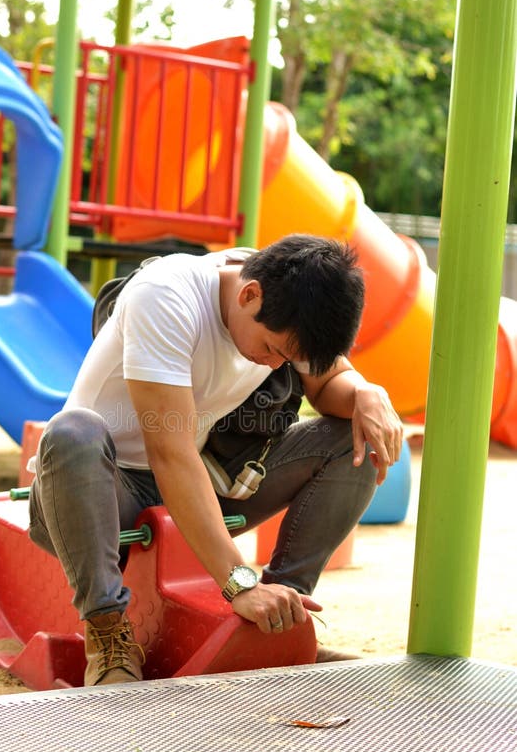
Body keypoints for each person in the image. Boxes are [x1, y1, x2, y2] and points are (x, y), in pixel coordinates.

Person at [28, 234, 403, 686]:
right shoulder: (166, 295)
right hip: (97, 490)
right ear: (249, 295)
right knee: (73, 431)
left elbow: (326, 385)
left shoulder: (284, 299)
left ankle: (281, 616)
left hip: (198, 478)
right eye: (273, 350)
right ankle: (108, 637)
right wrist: (238, 582)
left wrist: (366, 391)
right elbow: (170, 453)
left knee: (349, 438)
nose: (274, 364)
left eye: (287, 358)